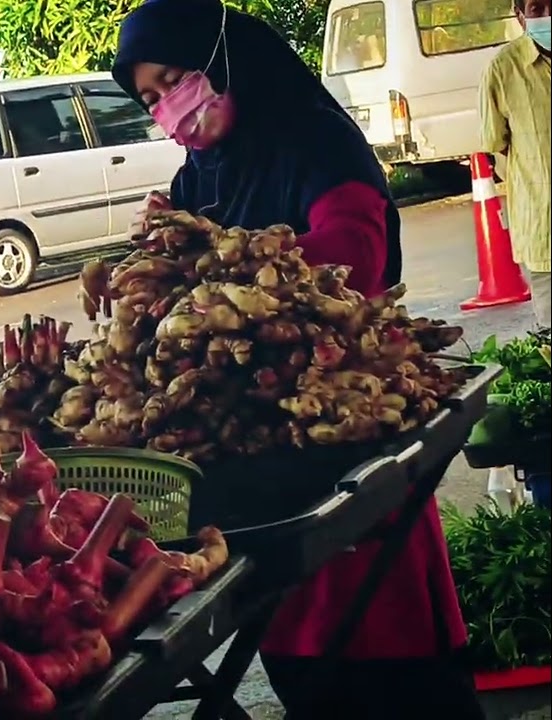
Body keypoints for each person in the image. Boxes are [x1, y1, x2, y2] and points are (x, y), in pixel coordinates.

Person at [112, 2, 484, 718]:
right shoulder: (200, 178)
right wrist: (162, 249)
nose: (168, 109)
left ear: (218, 61)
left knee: (393, 662)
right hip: (252, 462)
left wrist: (215, 272)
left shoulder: (315, 142)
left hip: (343, 440)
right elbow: (175, 302)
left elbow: (355, 262)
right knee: (300, 658)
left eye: (174, 80)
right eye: (151, 99)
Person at [479, 0, 551, 328]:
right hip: (543, 230)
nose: (547, 17)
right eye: (537, 9)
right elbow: (497, 145)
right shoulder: (503, 70)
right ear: (521, 16)